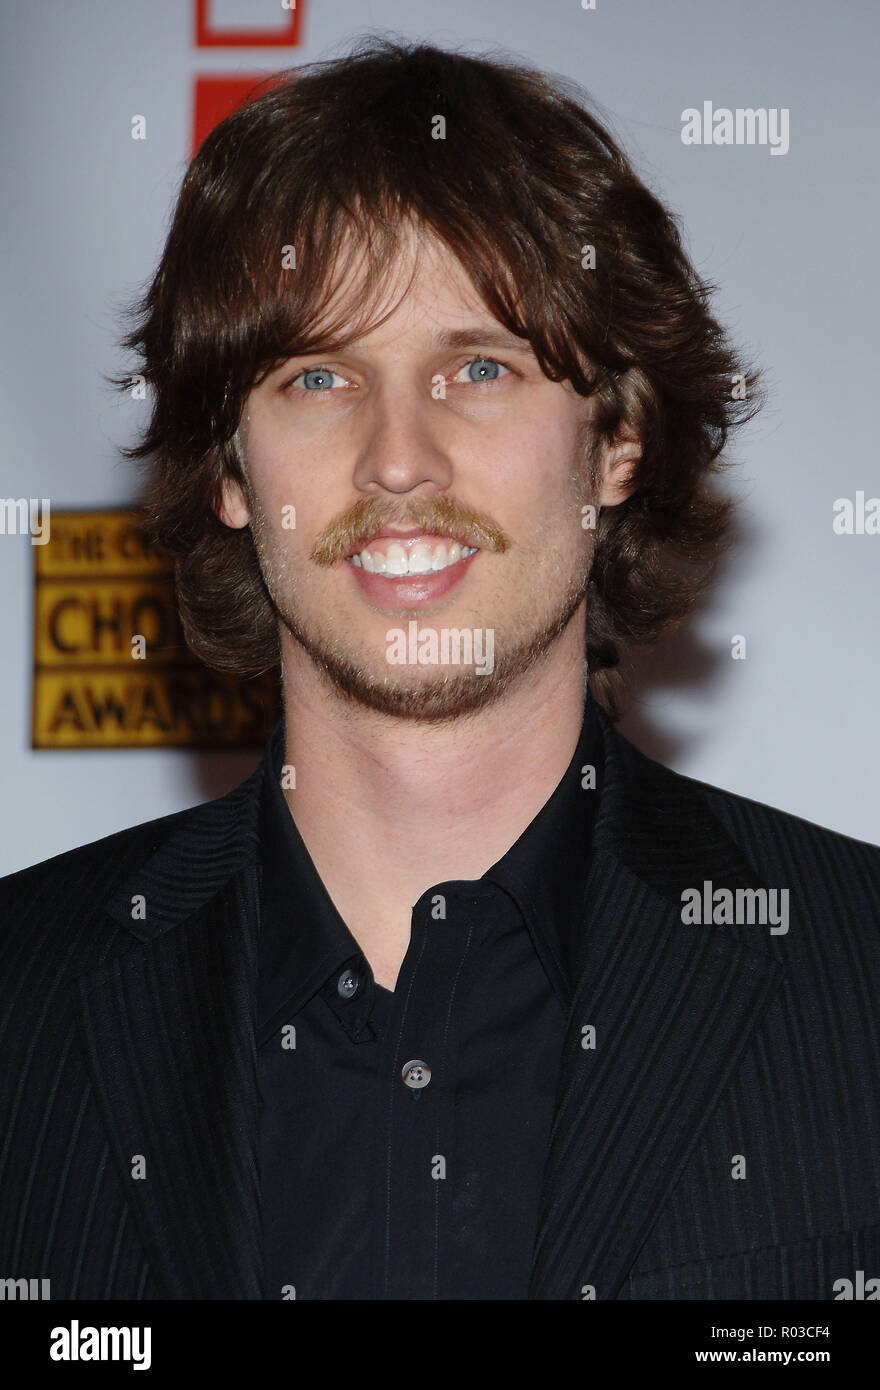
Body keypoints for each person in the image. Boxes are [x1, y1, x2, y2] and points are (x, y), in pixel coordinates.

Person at [1, 36, 878, 1302]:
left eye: (478, 369)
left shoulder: (853, 979)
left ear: (617, 444)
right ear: (232, 473)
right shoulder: (22, 1003)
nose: (396, 459)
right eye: (316, 375)